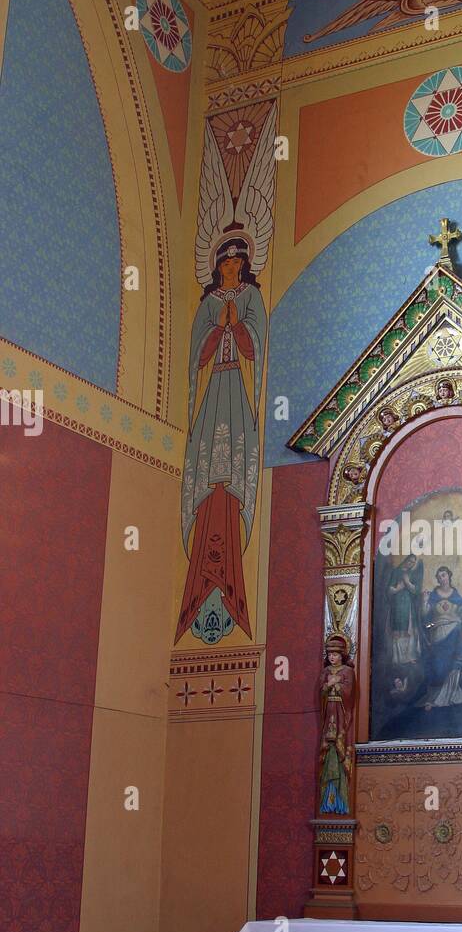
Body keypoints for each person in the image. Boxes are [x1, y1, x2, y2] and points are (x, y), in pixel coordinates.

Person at [175, 236, 266, 644]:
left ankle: (231, 580)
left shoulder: (251, 299)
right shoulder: (209, 303)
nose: (231, 267)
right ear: (218, 267)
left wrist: (239, 326)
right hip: (214, 392)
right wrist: (220, 326)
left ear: (244, 265)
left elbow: (255, 350)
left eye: (237, 262)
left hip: (239, 392)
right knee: (211, 462)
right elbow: (199, 354)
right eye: (225, 263)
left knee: (233, 464)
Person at [419, 566, 462, 709]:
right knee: (439, 664)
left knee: (455, 660)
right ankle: (437, 696)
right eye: (439, 576)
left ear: (449, 576)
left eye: (443, 575)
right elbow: (425, 614)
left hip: (455, 631)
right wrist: (424, 601)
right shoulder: (432, 595)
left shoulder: (456, 594)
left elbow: (461, 615)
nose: (441, 578)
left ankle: (449, 694)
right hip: (437, 632)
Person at [318, 633, 355, 815]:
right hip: (329, 712)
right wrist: (328, 685)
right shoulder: (325, 673)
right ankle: (327, 800)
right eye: (329, 654)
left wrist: (337, 685)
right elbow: (321, 692)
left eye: (335, 654)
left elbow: (349, 694)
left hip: (341, 713)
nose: (332, 657)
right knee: (328, 747)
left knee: (339, 746)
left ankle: (340, 800)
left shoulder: (347, 672)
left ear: (342, 655)